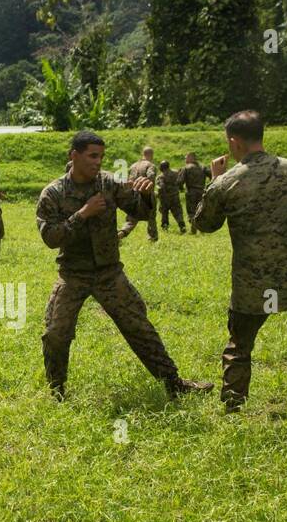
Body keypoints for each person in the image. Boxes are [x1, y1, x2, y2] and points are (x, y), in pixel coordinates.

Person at [193, 110, 287, 439]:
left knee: (240, 346)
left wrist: (214, 182)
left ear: (233, 142)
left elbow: (204, 224)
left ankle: (233, 416)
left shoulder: (227, 182)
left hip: (253, 284)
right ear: (261, 135)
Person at [36, 130, 213, 400]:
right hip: (73, 274)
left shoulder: (109, 183)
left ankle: (174, 383)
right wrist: (82, 214)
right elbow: (50, 238)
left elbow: (140, 212)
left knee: (139, 327)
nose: (98, 162)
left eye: (101, 157)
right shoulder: (54, 193)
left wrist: (144, 195)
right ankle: (56, 391)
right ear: (74, 155)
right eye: (92, 156)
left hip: (109, 273)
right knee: (56, 334)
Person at [117, 145, 159, 242]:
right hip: (146, 194)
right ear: (151, 154)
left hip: (133, 194)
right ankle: (152, 238)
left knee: (132, 218)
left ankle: (121, 234)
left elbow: (128, 180)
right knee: (151, 217)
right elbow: (150, 179)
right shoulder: (150, 165)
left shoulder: (133, 166)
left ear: (143, 154)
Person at [157, 160, 186, 233]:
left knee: (164, 213)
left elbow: (161, 187)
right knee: (178, 212)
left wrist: (159, 195)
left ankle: (165, 227)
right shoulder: (176, 173)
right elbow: (180, 182)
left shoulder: (161, 176)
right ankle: (181, 225)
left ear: (161, 167)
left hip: (165, 198)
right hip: (175, 196)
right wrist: (181, 189)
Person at [180, 152, 206, 234]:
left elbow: (180, 181)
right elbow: (212, 175)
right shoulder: (203, 167)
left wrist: (181, 189)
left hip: (191, 192)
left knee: (191, 211)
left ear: (191, 158)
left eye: (186, 157)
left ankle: (193, 228)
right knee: (201, 210)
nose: (185, 159)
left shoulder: (186, 168)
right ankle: (202, 229)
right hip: (201, 191)